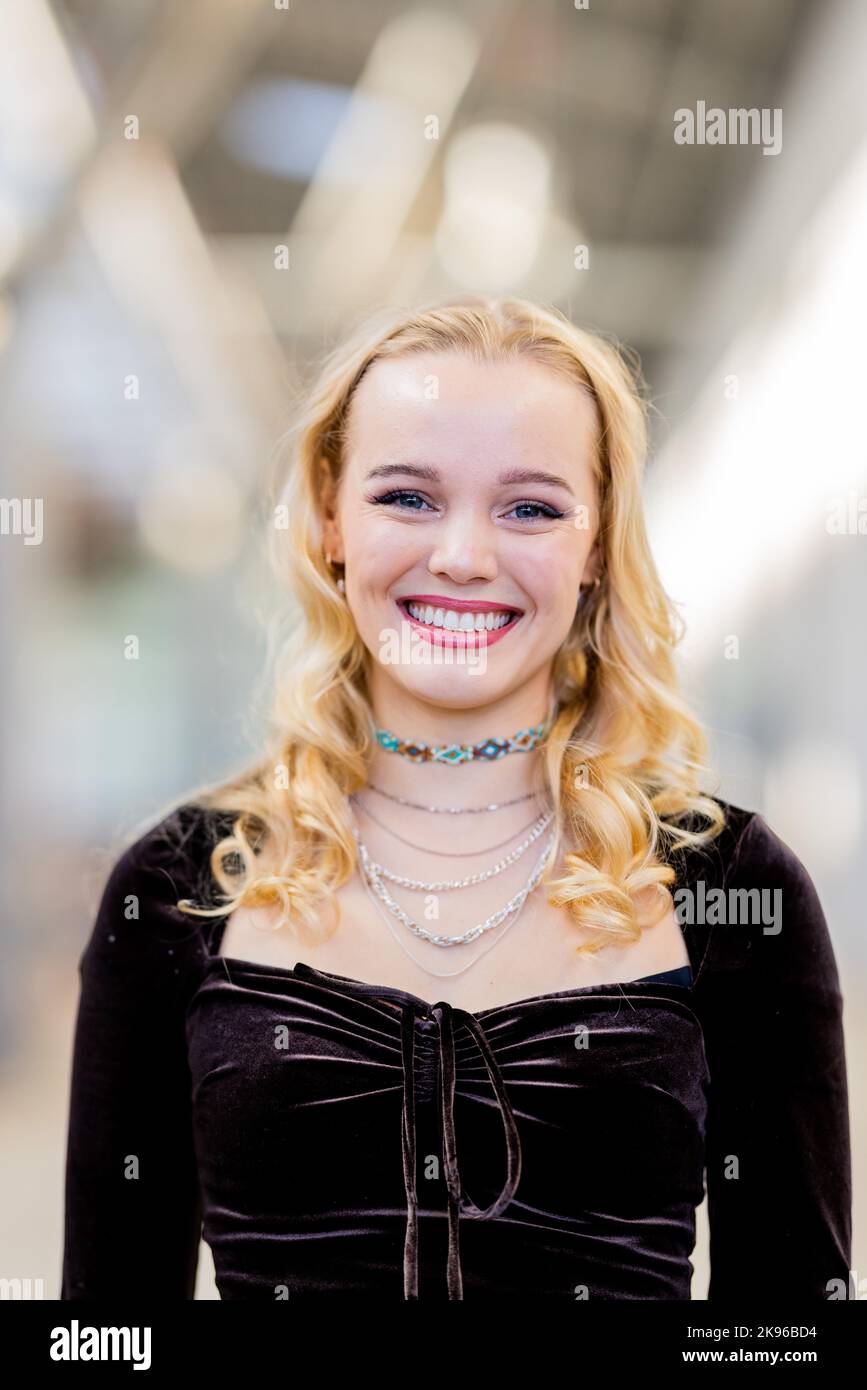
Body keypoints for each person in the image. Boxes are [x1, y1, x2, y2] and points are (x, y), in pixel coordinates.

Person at [61, 295, 851, 1301]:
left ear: (598, 543)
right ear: (328, 516)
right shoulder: (181, 884)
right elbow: (104, 1330)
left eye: (530, 507)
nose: (463, 556)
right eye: (407, 497)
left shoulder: (734, 886)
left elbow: (792, 1330)